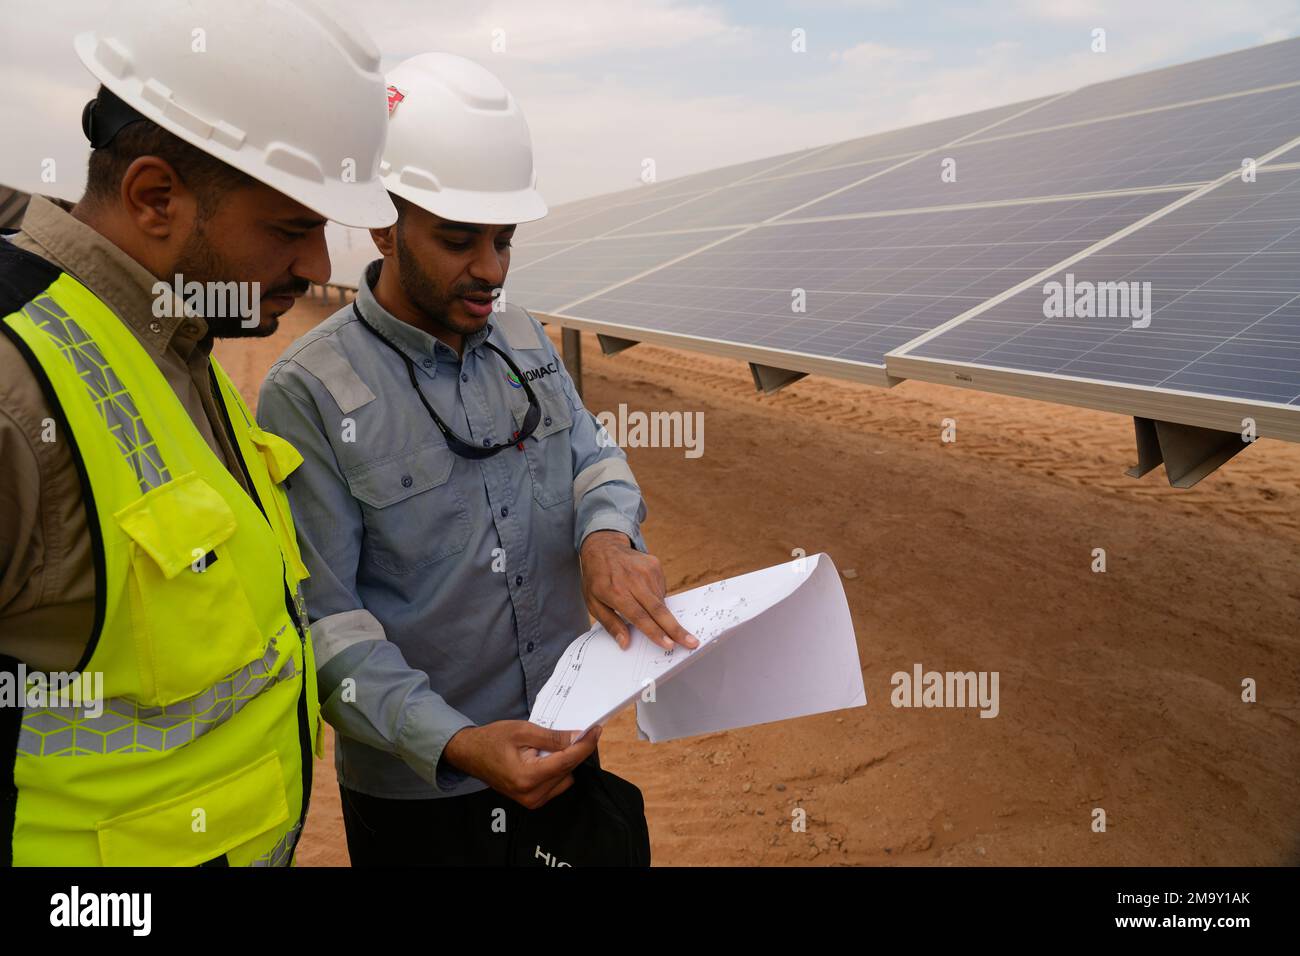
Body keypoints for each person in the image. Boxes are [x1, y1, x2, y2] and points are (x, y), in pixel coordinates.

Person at [257, 52, 696, 866]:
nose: (491, 270)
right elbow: (328, 627)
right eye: (460, 241)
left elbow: (596, 459)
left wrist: (606, 537)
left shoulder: (522, 337)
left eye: (504, 240)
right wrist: (460, 743)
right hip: (424, 801)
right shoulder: (310, 392)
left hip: (565, 753)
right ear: (384, 226)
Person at [0, 0, 395, 866]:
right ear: (153, 198)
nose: (318, 268)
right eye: (291, 229)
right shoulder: (16, 391)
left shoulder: (173, 331)